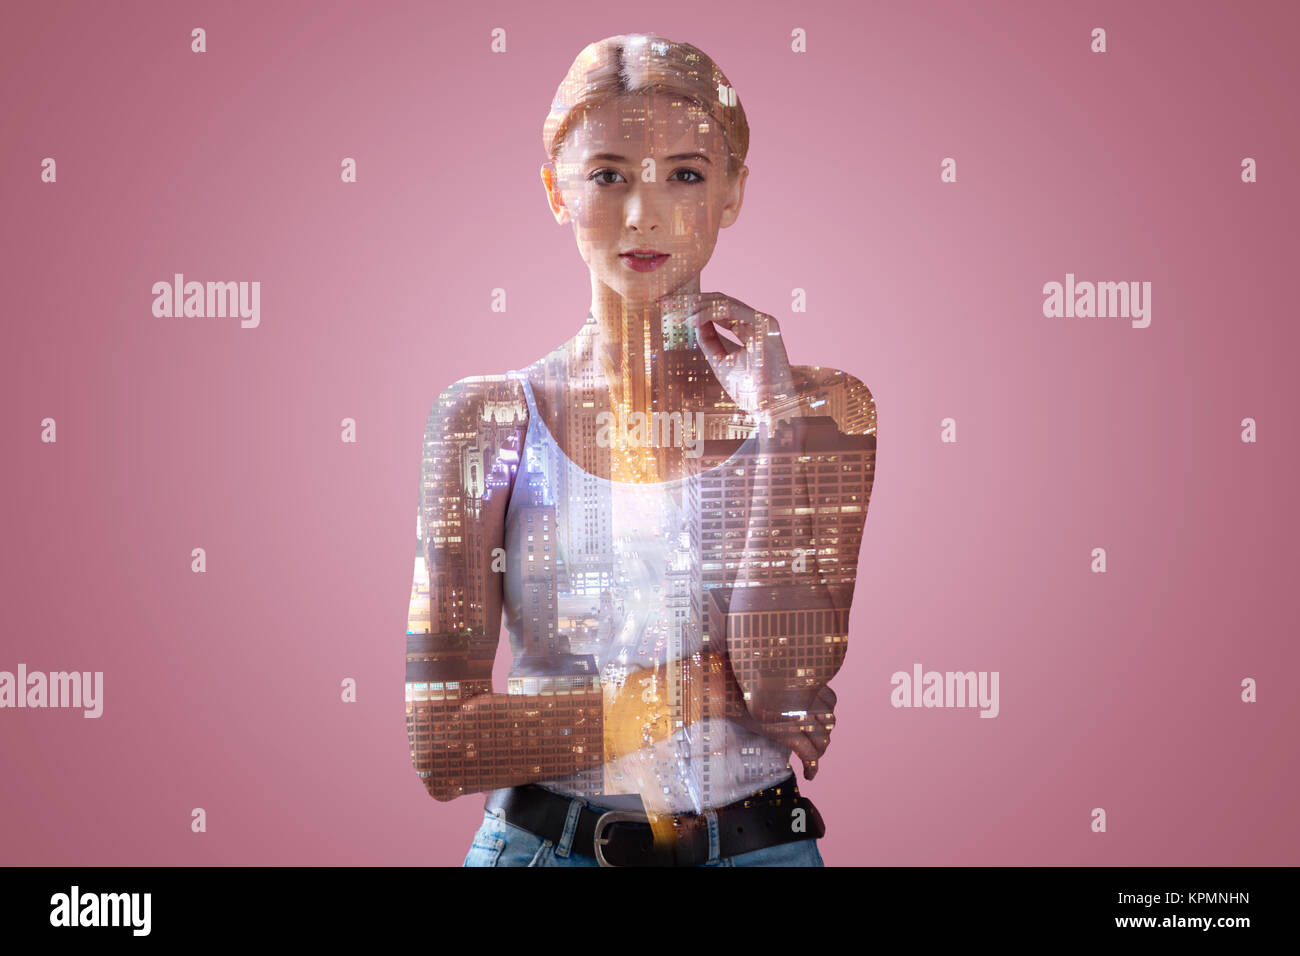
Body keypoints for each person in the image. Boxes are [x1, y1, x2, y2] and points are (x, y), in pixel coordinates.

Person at [405, 34, 878, 867]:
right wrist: (693, 690)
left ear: (733, 192)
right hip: (542, 850)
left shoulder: (827, 412)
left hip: (761, 850)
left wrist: (771, 428)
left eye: (687, 174)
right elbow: (445, 747)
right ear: (556, 190)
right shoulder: (484, 420)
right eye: (609, 174)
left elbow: (784, 685)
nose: (643, 215)